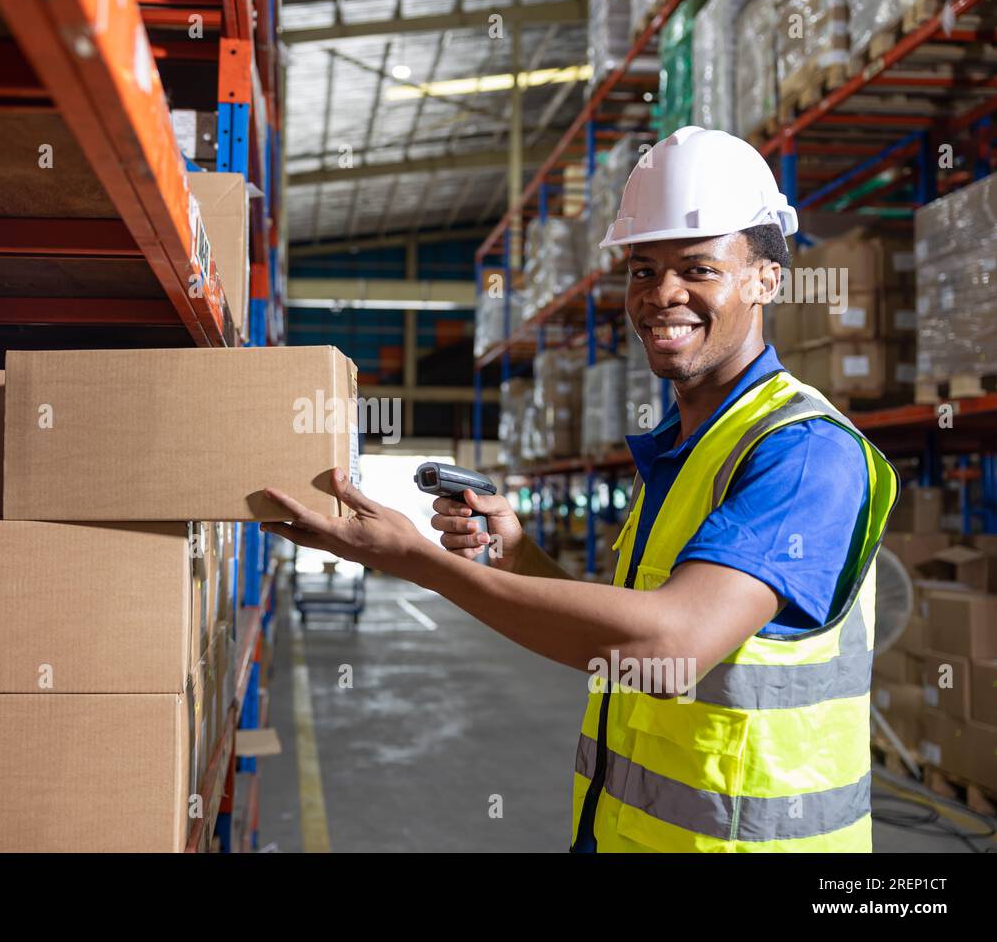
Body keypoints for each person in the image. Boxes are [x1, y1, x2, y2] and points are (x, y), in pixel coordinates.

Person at [260, 127, 898, 853]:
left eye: (698, 268)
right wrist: (518, 554)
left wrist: (416, 562)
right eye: (641, 270)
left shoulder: (805, 452)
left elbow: (673, 644)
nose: (663, 296)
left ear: (766, 279)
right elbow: (622, 629)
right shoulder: (690, 449)